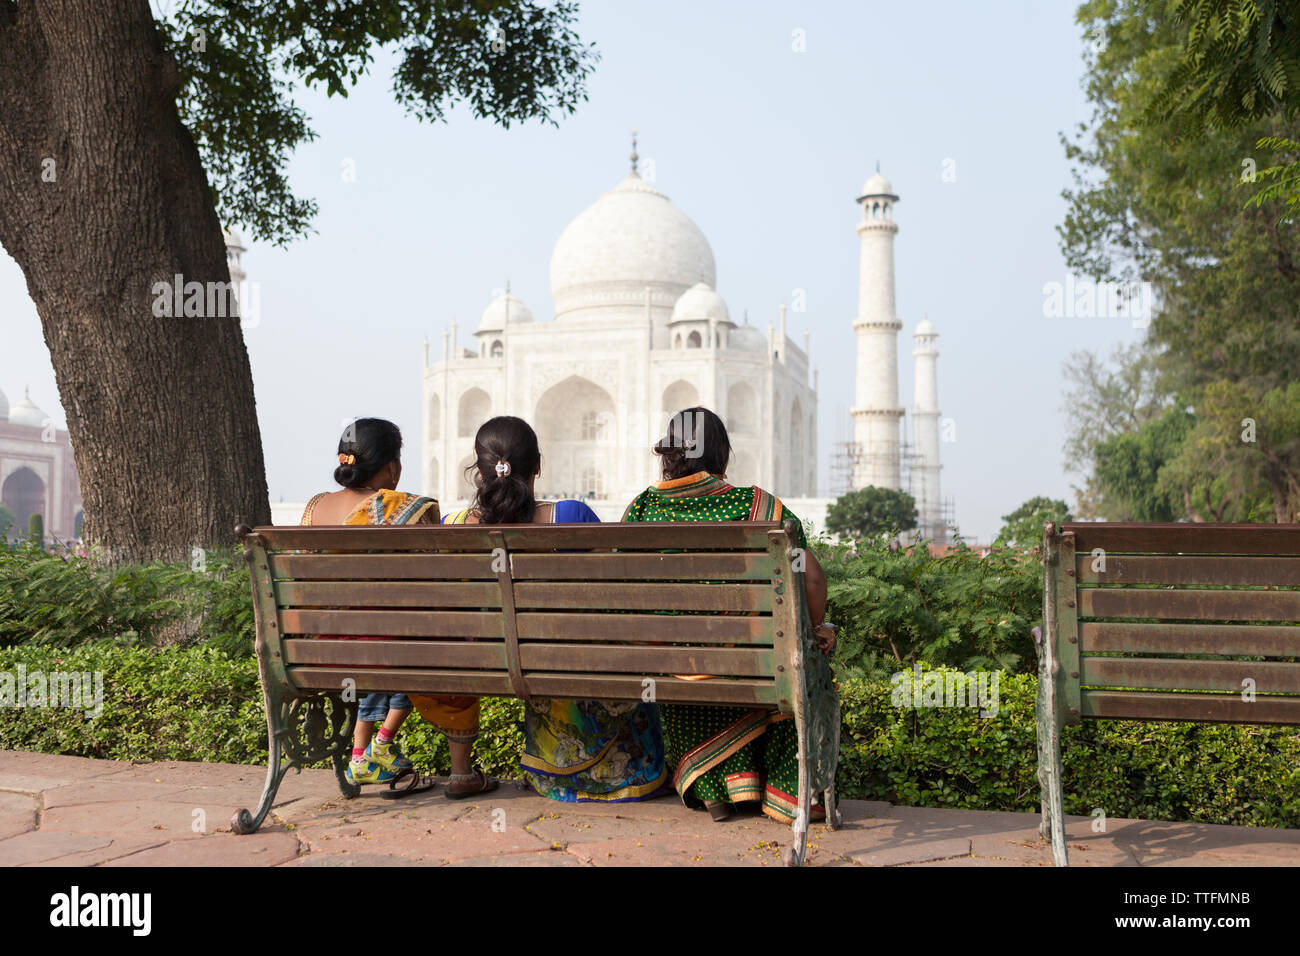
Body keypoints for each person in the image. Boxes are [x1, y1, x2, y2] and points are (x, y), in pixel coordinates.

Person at [621, 406, 836, 824]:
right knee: (788, 654)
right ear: (721, 453)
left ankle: (713, 788)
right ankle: (784, 791)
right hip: (749, 671)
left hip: (669, 671)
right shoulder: (757, 506)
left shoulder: (641, 510)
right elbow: (811, 579)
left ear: (669, 453)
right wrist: (813, 631)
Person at [445, 415, 669, 802]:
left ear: (476, 471)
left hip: (498, 662)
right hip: (570, 665)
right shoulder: (570, 515)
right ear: (538, 466)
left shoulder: (453, 526)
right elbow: (626, 590)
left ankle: (550, 762)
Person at [302, 417, 495, 799]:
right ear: (391, 468)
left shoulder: (313, 509)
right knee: (457, 649)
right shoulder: (411, 509)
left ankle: (367, 752)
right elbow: (436, 588)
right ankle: (460, 774)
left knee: (381, 640)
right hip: (393, 652)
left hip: (319, 654)